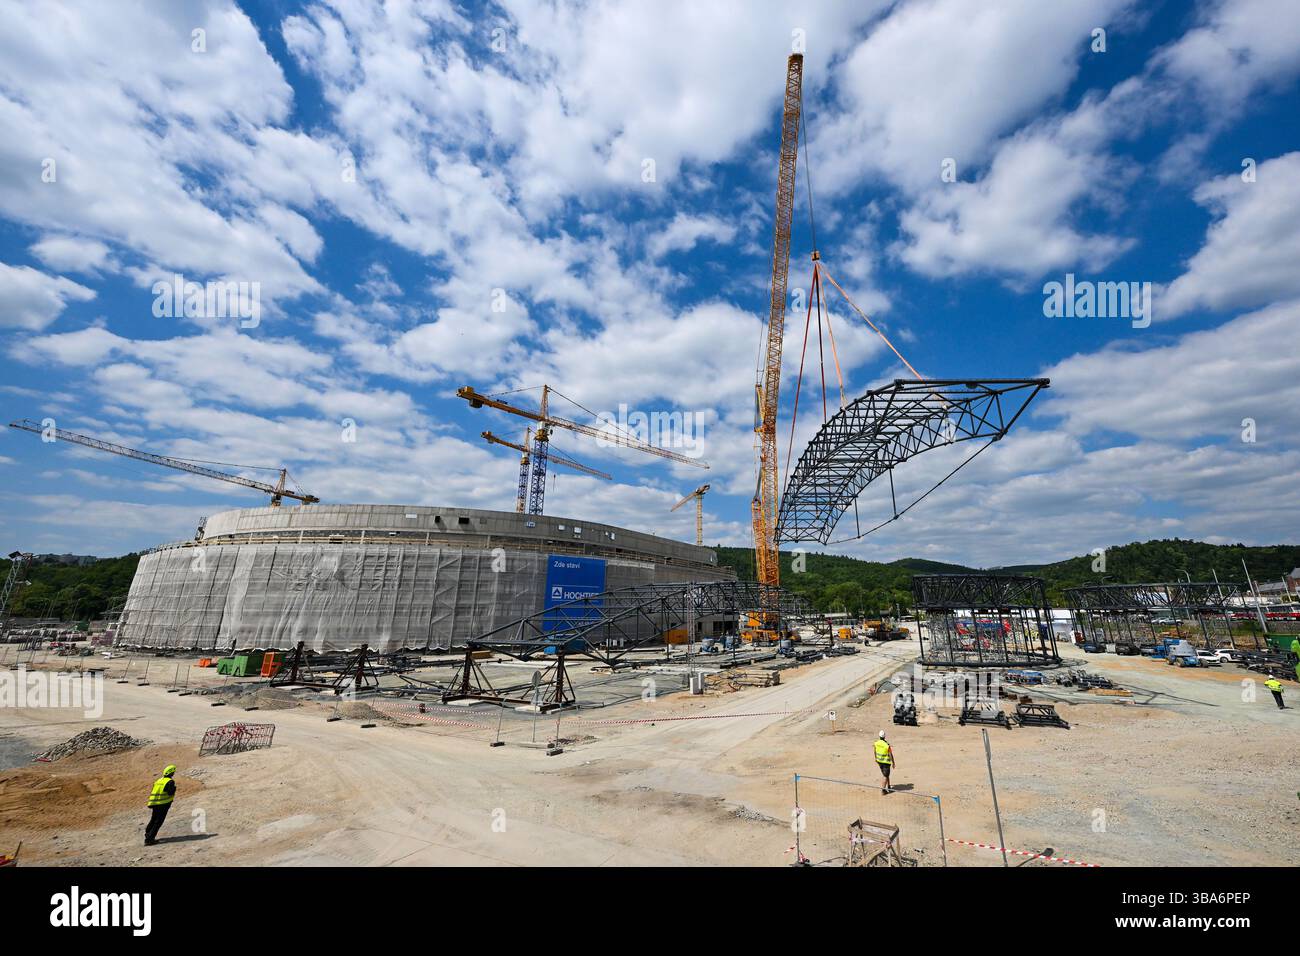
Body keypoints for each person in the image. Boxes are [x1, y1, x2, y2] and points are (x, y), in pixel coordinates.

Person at [145, 764, 177, 845]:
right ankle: (150, 839)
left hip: (154, 803)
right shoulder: (170, 782)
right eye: (173, 772)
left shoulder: (159, 781)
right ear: (171, 773)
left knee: (153, 819)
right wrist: (174, 788)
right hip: (163, 804)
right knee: (158, 822)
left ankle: (147, 833)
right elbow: (170, 793)